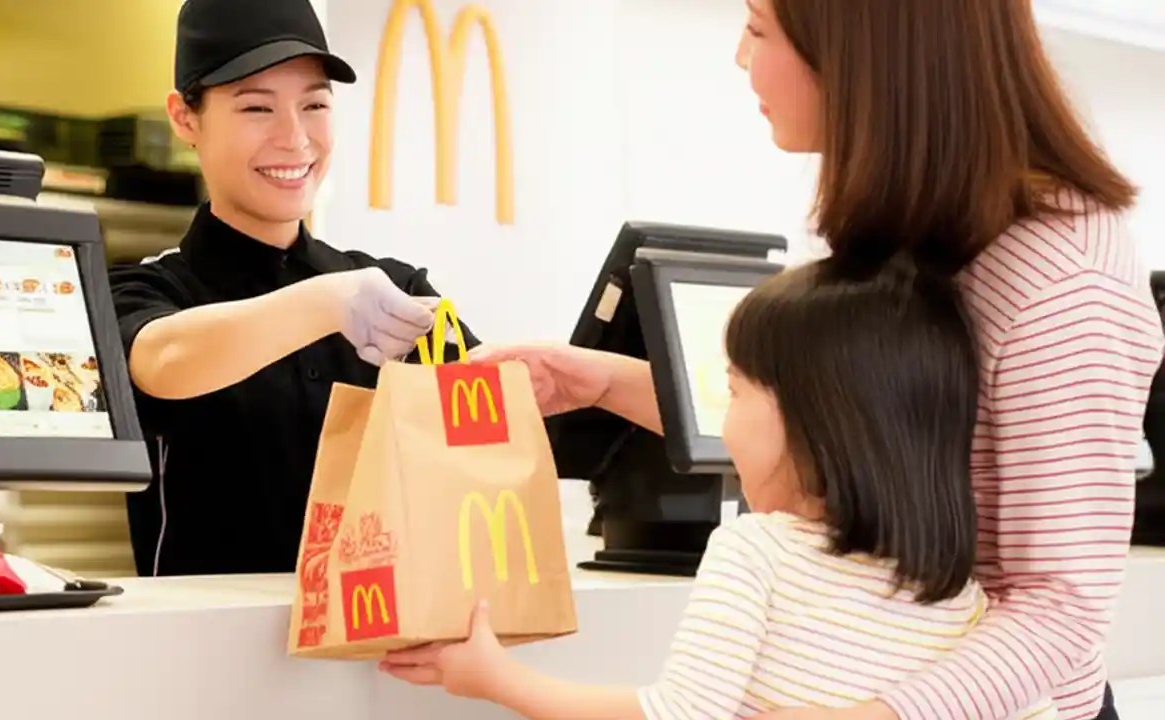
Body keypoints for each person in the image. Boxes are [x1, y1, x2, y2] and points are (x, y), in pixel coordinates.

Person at [393, 1, 1164, 719]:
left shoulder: (1063, 283)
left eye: (759, 29)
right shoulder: (902, 221)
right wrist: (606, 383)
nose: (738, 57)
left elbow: (1057, 614)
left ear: (862, 49)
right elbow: (839, 438)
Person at [381, 256, 1058, 719]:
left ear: (813, 425)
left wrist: (497, 680)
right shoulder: (955, 584)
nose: (719, 419)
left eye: (731, 391)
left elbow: (677, 715)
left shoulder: (755, 551)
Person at [108, 0, 477, 577]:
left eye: (315, 105)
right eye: (257, 107)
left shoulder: (396, 286)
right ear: (185, 118)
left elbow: (486, 433)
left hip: (380, 652)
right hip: (197, 653)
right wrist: (325, 302)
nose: (295, 138)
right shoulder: (144, 288)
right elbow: (163, 359)